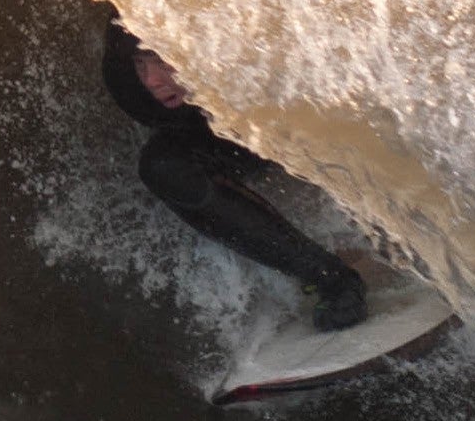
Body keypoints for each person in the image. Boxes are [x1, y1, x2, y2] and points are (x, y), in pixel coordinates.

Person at [100, 19, 371, 330]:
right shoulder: (123, 70)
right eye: (140, 64)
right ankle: (329, 278)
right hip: (219, 141)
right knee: (162, 167)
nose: (151, 80)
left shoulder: (237, 37)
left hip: (265, 110)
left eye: (159, 58)